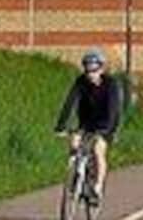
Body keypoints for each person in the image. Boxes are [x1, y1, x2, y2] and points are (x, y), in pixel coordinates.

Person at [54, 50, 122, 205]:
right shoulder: (81, 82)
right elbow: (70, 102)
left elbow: (114, 110)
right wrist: (61, 126)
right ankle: (76, 175)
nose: (90, 74)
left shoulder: (111, 84)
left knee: (98, 150)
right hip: (87, 123)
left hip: (107, 124)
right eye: (87, 70)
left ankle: (97, 187)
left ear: (101, 69)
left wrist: (108, 130)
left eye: (94, 70)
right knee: (75, 143)